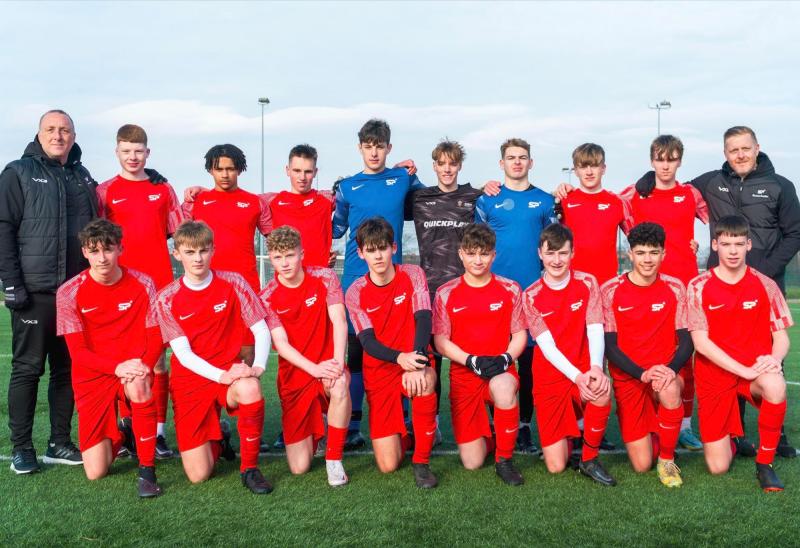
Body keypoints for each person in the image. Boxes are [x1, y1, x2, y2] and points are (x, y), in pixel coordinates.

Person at [636, 126, 800, 457]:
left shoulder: (780, 185)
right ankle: (734, 434)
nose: (739, 155)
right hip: (719, 283)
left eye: (745, 148)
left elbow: (795, 233)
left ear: (757, 148)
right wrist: (647, 178)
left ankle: (776, 436)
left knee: (768, 354)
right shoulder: (711, 181)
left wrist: (765, 270)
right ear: (725, 153)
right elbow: (672, 180)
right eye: (732, 150)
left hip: (763, 281)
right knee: (723, 352)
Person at [0, 110, 94, 473]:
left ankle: (59, 442)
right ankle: (22, 447)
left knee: (67, 370)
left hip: (74, 295)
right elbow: (4, 229)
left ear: (73, 135)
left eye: (65, 130)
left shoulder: (81, 176)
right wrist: (11, 284)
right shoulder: (17, 172)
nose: (58, 135)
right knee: (27, 369)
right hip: (33, 293)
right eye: (51, 129)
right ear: (39, 134)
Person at [155, 221, 272, 494]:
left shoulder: (234, 282)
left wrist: (257, 367)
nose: (197, 258)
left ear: (213, 250)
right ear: (177, 254)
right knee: (199, 475)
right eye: (190, 252)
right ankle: (220, 438)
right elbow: (182, 353)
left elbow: (260, 328)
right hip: (191, 382)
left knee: (250, 387)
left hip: (230, 374)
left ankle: (250, 469)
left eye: (203, 251)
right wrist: (221, 375)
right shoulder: (166, 298)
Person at [332, 119, 425, 449]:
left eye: (380, 146)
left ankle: (406, 421)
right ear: (360, 148)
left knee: (398, 349)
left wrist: (414, 173)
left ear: (389, 148)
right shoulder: (347, 187)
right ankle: (355, 424)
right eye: (368, 146)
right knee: (357, 353)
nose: (374, 152)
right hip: (356, 282)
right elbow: (333, 228)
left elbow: (428, 203)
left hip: (395, 282)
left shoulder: (402, 178)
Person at [56, 219, 163, 497]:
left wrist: (143, 367)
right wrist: (117, 367)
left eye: (108, 249)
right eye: (94, 251)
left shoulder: (143, 283)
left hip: (132, 372)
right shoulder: (68, 292)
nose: (102, 258)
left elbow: (155, 338)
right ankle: (125, 433)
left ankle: (147, 471)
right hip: (94, 376)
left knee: (140, 384)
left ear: (120, 249)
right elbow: (78, 353)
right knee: (96, 471)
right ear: (84, 253)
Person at [616, 135, 709, 451]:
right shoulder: (635, 193)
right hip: (649, 287)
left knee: (686, 360)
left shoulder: (690, 194)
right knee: (648, 352)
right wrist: (564, 191)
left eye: (671, 159)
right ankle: (650, 420)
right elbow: (600, 205)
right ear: (652, 161)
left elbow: (719, 219)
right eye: (660, 159)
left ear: (679, 161)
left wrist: (698, 245)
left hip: (686, 287)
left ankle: (684, 425)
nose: (665, 165)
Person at [96, 124, 183, 459]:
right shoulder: (104, 191)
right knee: (122, 360)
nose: (133, 157)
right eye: (126, 150)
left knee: (157, 360)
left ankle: (158, 433)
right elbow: (97, 239)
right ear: (117, 152)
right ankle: (127, 428)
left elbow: (182, 231)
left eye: (138, 151)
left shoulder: (163, 190)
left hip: (158, 288)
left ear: (148, 152)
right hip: (119, 288)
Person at [687, 215, 791, 492]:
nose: (732, 251)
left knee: (776, 385)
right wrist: (742, 370)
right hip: (714, 375)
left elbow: (781, 337)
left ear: (749, 244)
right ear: (715, 245)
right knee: (718, 467)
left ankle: (765, 464)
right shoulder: (698, 286)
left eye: (738, 244)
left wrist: (774, 358)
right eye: (726, 244)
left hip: (753, 371)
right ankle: (732, 440)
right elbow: (700, 343)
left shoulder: (766, 285)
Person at [475, 138, 556, 454]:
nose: (517, 162)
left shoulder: (545, 201)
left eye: (523, 157)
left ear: (531, 163)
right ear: (501, 164)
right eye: (511, 157)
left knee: (529, 366)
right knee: (497, 361)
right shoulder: (487, 200)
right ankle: (496, 426)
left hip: (533, 297)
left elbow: (554, 247)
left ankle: (523, 427)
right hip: (496, 295)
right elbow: (476, 246)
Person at [344, 217, 439, 488]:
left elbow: (423, 317)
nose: (378, 256)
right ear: (361, 253)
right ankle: (409, 436)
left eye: (382, 248)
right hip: (381, 369)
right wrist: (400, 358)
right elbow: (366, 340)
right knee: (388, 465)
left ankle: (421, 461)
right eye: (371, 250)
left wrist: (418, 360)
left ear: (393, 248)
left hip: (414, 357)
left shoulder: (412, 273)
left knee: (424, 380)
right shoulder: (356, 292)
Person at [600, 223, 694, 488]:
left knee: (669, 389)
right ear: (629, 254)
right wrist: (641, 373)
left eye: (654, 252)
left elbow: (687, 340)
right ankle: (661, 434)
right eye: (641, 253)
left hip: (664, 373)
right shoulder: (610, 290)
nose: (648, 259)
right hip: (630, 379)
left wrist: (670, 369)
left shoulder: (675, 288)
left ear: (663, 254)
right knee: (641, 465)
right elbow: (610, 346)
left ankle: (667, 459)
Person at [432, 224, 527, 485]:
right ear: (461, 254)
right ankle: (496, 433)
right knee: (472, 463)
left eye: (484, 254)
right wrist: (471, 360)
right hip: (465, 376)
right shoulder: (446, 292)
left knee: (505, 386)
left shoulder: (510, 289)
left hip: (500, 370)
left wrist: (505, 359)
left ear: (493, 256)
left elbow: (520, 335)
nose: (478, 260)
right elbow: (441, 341)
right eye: (472, 253)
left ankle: (504, 460)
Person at [523, 223, 616, 486]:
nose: (557, 260)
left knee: (601, 389)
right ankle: (574, 431)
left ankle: (589, 457)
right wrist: (577, 377)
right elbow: (548, 347)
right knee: (556, 466)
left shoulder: (587, 282)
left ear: (572, 253)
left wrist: (596, 368)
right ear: (540, 254)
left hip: (585, 366)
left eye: (563, 253)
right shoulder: (530, 295)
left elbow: (595, 326)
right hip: (552, 375)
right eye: (550, 253)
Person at [260, 226, 351, 487]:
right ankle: (321, 428)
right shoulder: (266, 297)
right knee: (299, 467)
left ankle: (333, 460)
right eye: (278, 258)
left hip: (328, 366)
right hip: (296, 376)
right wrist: (315, 369)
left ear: (302, 253)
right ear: (270, 259)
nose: (284, 263)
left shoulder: (325, 277)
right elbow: (282, 344)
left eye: (289, 255)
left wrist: (335, 364)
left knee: (341, 385)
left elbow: (339, 321)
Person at [408, 139, 483, 443]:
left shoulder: (473, 196)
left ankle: (479, 420)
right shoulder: (418, 197)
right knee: (430, 360)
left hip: (464, 291)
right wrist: (405, 171)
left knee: (473, 355)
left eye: (453, 163)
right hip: (429, 290)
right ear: (435, 166)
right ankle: (432, 422)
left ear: (459, 165)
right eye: (442, 163)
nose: (448, 168)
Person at [181, 144, 269, 367]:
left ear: (239, 169)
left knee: (248, 351)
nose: (225, 174)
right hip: (207, 288)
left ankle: (245, 399)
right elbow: (178, 234)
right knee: (206, 350)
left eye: (230, 168)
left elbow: (277, 238)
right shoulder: (196, 202)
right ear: (210, 170)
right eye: (219, 169)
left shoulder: (255, 202)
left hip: (246, 287)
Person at [558, 143, 632, 285]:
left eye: (594, 166)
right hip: (572, 284)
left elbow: (639, 239)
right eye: (583, 166)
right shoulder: (564, 201)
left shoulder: (617, 203)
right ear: (575, 171)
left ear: (603, 169)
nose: (589, 172)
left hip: (607, 284)